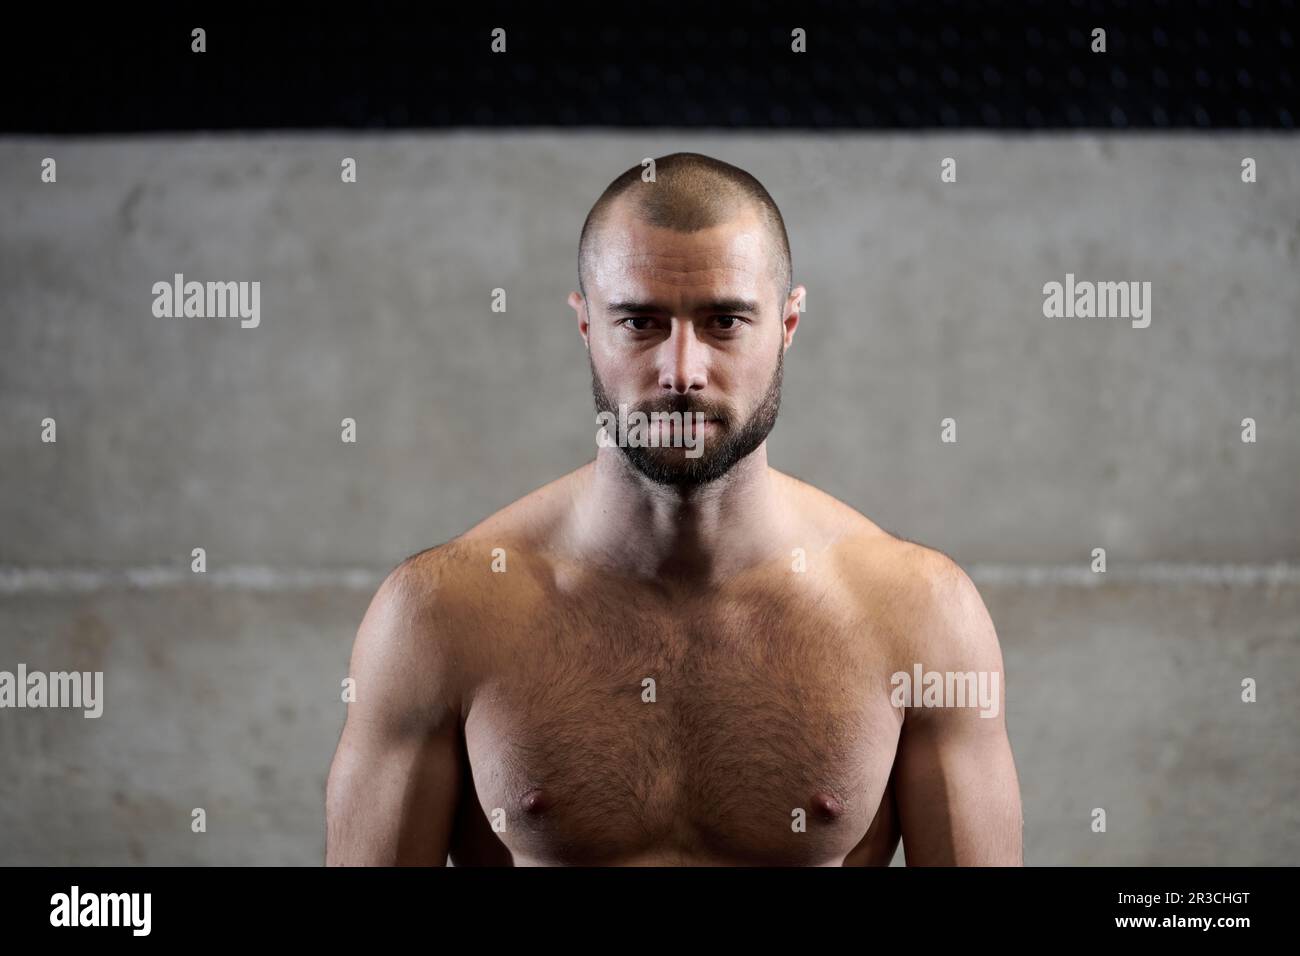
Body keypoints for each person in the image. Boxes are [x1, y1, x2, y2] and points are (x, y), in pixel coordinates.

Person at [325, 152, 1023, 865]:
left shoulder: (918, 615)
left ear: (787, 325)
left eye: (724, 322)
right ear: (586, 326)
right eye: (640, 322)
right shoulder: (440, 616)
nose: (682, 371)